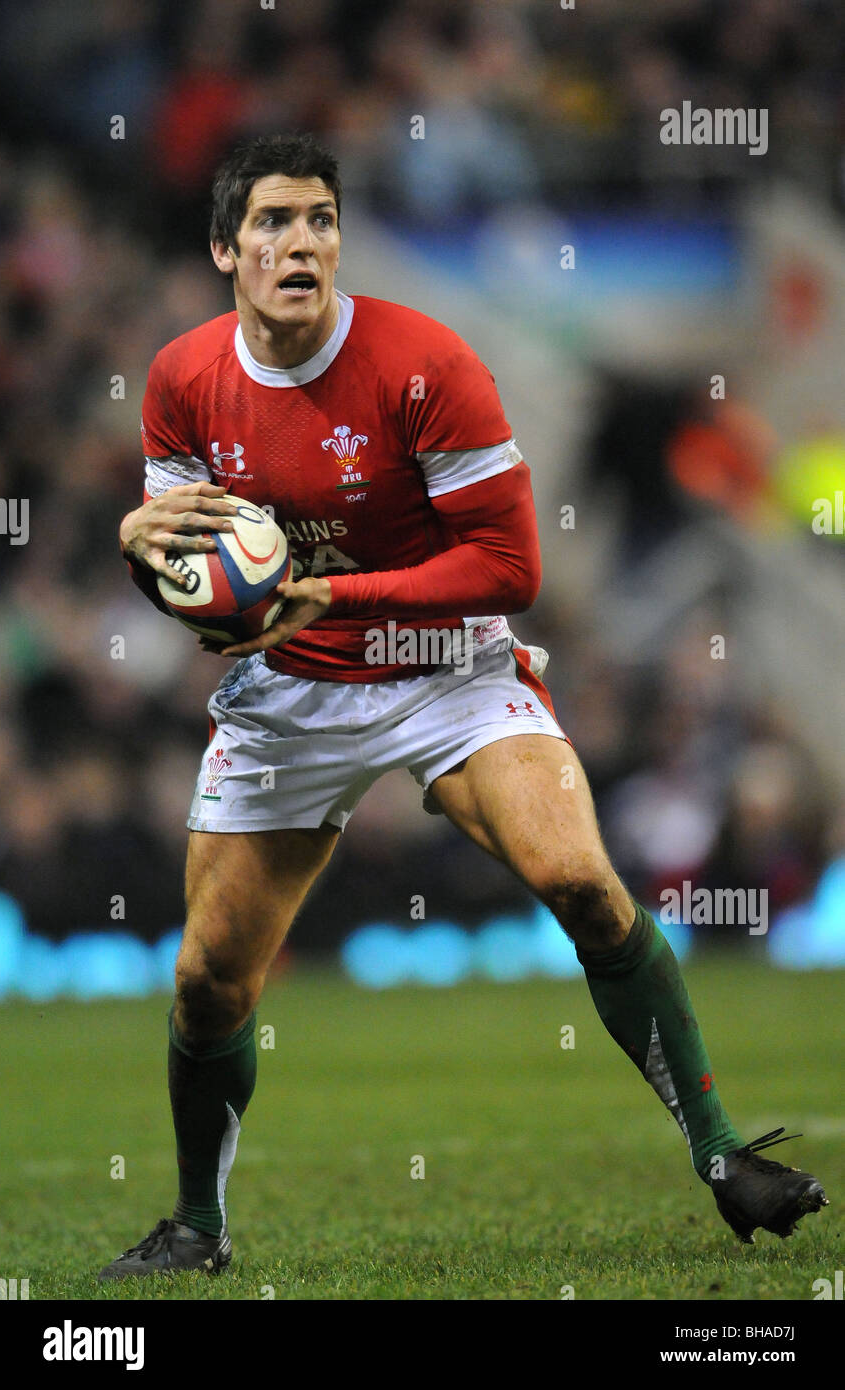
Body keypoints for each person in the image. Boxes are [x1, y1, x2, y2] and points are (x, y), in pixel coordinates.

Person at [99, 134, 827, 1279]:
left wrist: (336, 590)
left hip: (448, 670)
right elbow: (194, 578)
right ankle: (198, 1226)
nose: (302, 243)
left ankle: (725, 1153)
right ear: (223, 249)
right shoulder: (184, 377)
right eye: (275, 223)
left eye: (322, 220)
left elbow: (511, 567)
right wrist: (138, 545)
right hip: (291, 695)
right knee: (205, 980)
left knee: (583, 880)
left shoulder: (424, 360)